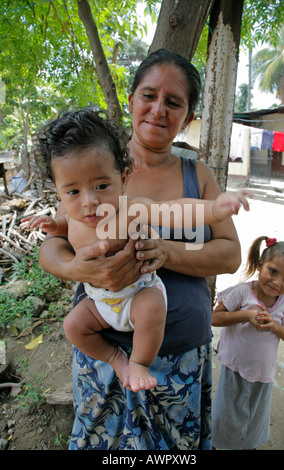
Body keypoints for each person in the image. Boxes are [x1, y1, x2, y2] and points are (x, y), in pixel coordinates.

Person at [38, 48, 243, 450]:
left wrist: (165, 252)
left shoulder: (195, 174)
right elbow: (54, 244)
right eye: (149, 95)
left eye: (174, 102)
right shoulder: (93, 168)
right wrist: (80, 269)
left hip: (181, 349)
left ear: (188, 116)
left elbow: (231, 254)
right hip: (106, 344)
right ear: (131, 100)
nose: (158, 110)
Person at [23, 108, 251, 393]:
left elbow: (173, 211)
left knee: (152, 307)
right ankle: (116, 359)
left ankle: (139, 363)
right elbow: (61, 231)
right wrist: (51, 225)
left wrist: (216, 209)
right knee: (72, 327)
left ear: (124, 177)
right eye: (73, 192)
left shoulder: (131, 208)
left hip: (137, 295)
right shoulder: (72, 215)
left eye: (102, 185)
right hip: (99, 302)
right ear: (58, 191)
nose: (90, 201)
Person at [211, 236, 284, 450]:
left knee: (253, 417)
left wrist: (275, 326)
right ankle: (215, 444)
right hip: (234, 369)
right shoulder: (243, 292)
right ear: (261, 265)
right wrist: (245, 315)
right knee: (225, 413)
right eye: (273, 271)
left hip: (263, 375)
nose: (278, 283)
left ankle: (246, 444)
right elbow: (214, 317)